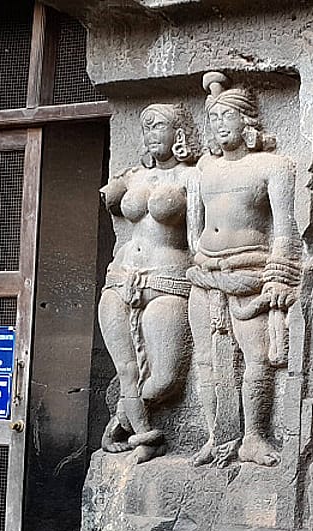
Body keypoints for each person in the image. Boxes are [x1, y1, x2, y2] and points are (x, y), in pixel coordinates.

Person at [189, 71, 301, 467]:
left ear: (247, 121)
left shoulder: (273, 166)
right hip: (204, 273)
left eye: (227, 116)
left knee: (257, 358)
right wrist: (203, 265)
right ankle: (216, 436)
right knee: (205, 359)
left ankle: (254, 436)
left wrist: (277, 275)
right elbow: (194, 227)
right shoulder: (204, 168)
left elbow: (286, 227)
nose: (219, 125)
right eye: (213, 118)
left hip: (250, 273)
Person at [99, 103, 200, 463]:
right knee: (126, 370)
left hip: (169, 280)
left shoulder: (193, 176)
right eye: (145, 128)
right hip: (120, 278)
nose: (150, 134)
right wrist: (116, 185)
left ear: (179, 133)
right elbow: (110, 197)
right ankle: (147, 437)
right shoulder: (134, 176)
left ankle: (124, 419)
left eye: (158, 126)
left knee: (166, 379)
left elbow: (199, 237)